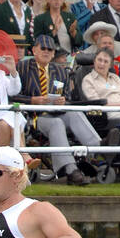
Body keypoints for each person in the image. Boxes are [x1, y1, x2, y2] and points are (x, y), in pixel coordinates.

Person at [17, 35, 100, 184]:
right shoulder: (22, 67)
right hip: (35, 115)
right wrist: (33, 101)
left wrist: (63, 101)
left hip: (57, 111)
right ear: (34, 50)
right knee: (56, 124)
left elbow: (67, 97)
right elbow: (12, 95)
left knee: (74, 113)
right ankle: (71, 170)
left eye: (50, 49)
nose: (47, 52)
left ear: (54, 53)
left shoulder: (61, 71)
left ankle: (97, 149)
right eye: (43, 48)